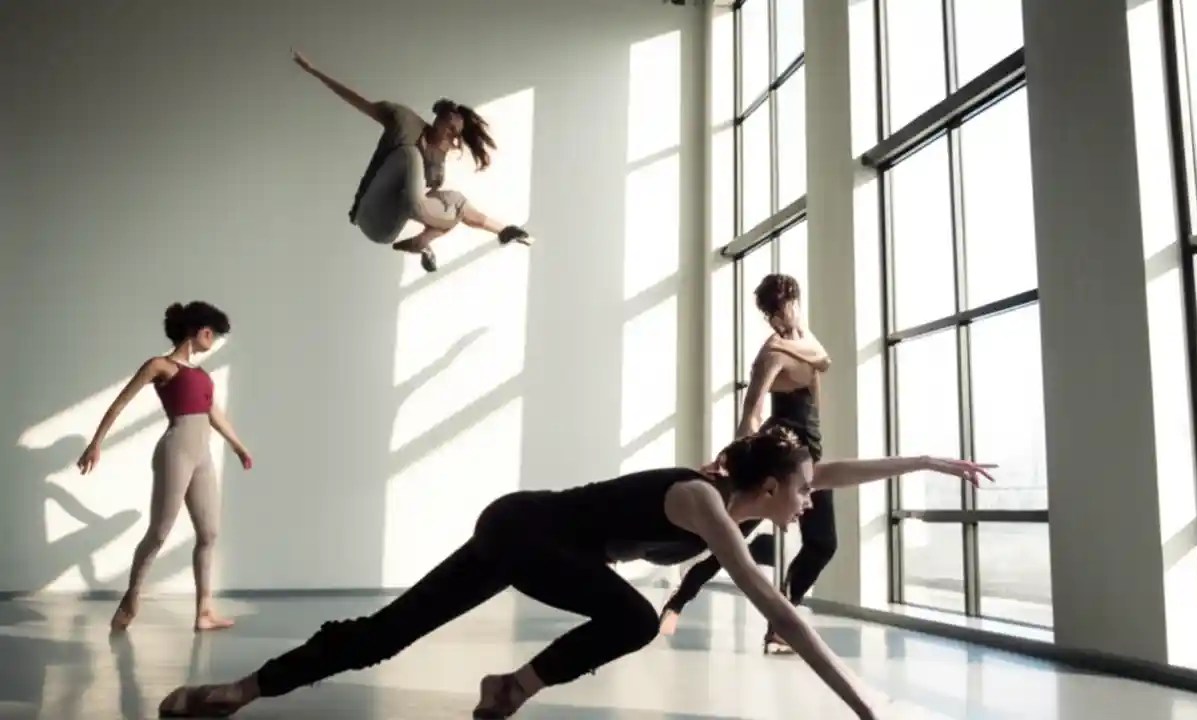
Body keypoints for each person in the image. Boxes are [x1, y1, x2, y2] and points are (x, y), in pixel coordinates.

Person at [155, 426, 993, 719]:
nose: (813, 504)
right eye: (802, 495)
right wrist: (865, 707)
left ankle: (239, 693)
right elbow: (776, 602)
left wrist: (924, 460)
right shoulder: (705, 504)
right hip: (527, 526)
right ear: (769, 489)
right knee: (631, 619)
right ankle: (514, 687)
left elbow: (832, 469)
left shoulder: (751, 494)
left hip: (527, 532)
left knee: (384, 636)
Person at [659, 273, 833, 653]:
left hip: (810, 454)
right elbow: (751, 412)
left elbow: (824, 359)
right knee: (729, 537)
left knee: (823, 543)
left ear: (795, 302)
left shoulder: (805, 337)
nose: (778, 319)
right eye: (770, 314)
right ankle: (679, 599)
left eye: (782, 309)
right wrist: (738, 460)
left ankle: (782, 620)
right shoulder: (771, 354)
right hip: (781, 453)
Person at [76, 301, 253, 633]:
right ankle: (132, 596)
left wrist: (239, 446)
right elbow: (120, 403)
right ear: (197, 331)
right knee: (159, 532)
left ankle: (204, 611)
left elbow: (214, 414)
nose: (212, 339)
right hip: (175, 452)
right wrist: (96, 442)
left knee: (209, 532)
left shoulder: (202, 375)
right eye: (211, 333)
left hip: (202, 456)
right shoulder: (160, 366)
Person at [291, 49, 534, 273]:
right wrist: (313, 71)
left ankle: (498, 231)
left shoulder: (438, 166)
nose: (449, 135)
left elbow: (443, 215)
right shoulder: (403, 120)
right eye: (448, 126)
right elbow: (359, 101)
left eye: (454, 134)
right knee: (410, 155)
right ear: (438, 117)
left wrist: (430, 234)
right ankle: (424, 242)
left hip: (389, 228)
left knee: (455, 201)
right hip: (371, 212)